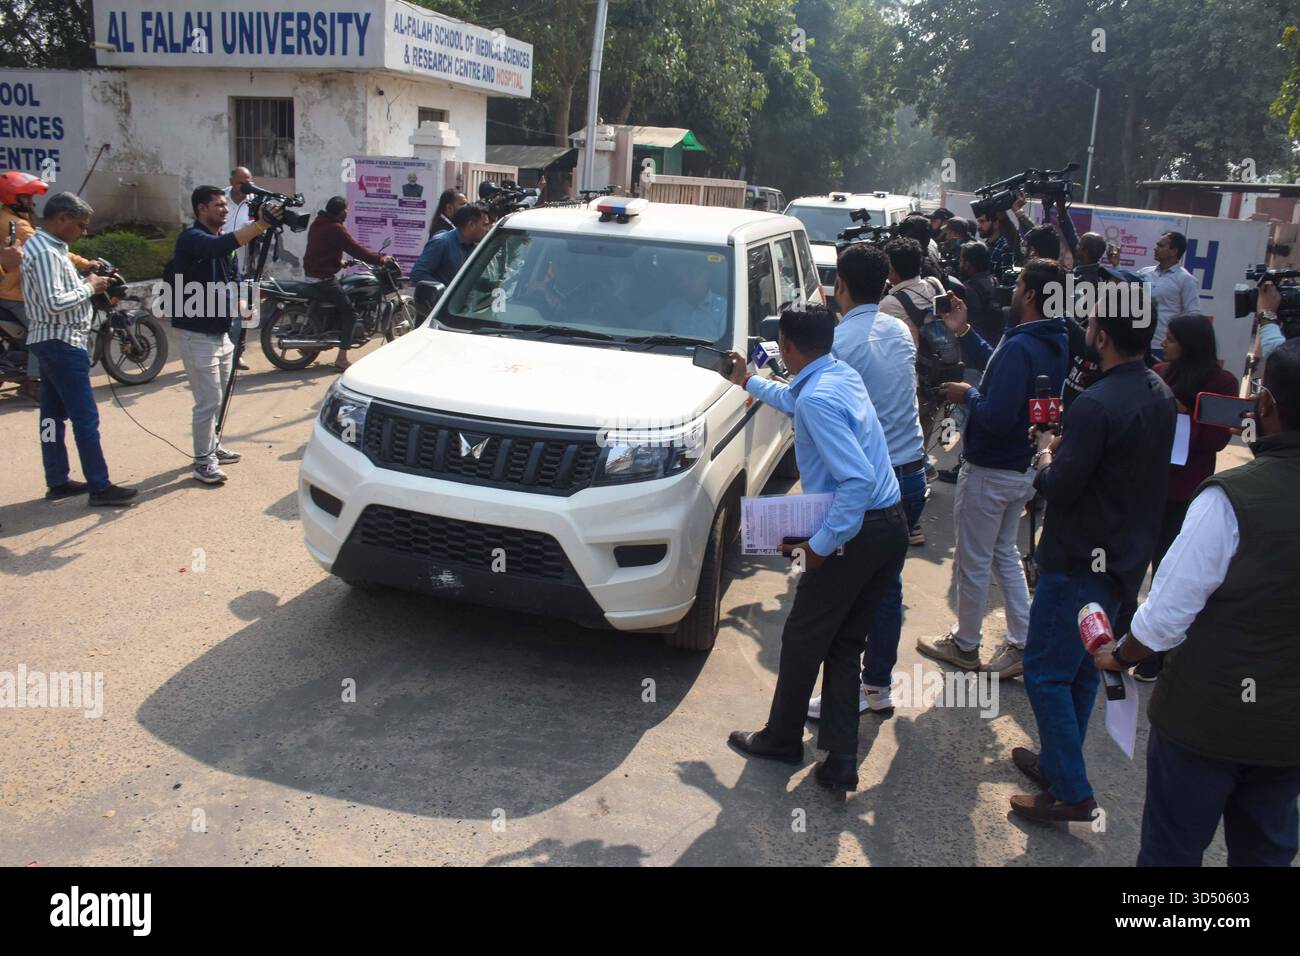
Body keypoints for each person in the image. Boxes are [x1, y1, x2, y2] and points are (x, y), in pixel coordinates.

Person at [1092, 338, 1300, 865]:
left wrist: (1119, 655)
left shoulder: (1231, 498)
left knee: (1172, 853)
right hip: (1287, 736)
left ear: (1266, 405)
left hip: (1205, 722)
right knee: (1267, 851)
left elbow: (1164, 619)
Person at [719, 306, 907, 791]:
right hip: (888, 528)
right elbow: (796, 395)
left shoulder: (818, 400)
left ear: (786, 345)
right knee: (845, 643)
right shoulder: (837, 374)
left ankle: (782, 738)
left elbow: (855, 481)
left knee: (803, 638)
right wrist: (749, 382)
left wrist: (822, 546)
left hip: (853, 534)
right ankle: (840, 761)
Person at [1010, 282, 1176, 824]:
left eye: (1092, 321)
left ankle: (1073, 791)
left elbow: (1060, 487)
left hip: (1079, 561)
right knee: (1082, 673)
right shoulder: (1159, 392)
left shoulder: (1098, 404)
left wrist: (1044, 453)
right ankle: (1061, 765)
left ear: (1102, 335)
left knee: (1045, 673)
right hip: (1124, 564)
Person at [917, 259, 1070, 677]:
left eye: (1020, 283)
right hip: (1021, 467)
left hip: (990, 469)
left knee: (973, 559)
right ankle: (1022, 641)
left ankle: (966, 645)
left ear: (1034, 295)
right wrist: (965, 333)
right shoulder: (1051, 339)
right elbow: (1000, 374)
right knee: (1003, 552)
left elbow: (997, 412)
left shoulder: (1024, 344)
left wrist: (966, 395)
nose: (1014, 289)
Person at [804, 244, 925, 722]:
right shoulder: (900, 329)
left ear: (841, 287)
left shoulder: (838, 343)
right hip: (912, 475)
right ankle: (877, 686)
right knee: (887, 586)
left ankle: (847, 696)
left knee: (845, 592)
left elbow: (811, 399)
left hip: (871, 486)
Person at [1130, 313, 1238, 682]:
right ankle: (1122, 632)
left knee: (1168, 567)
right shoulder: (1159, 370)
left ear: (1191, 343)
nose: (1167, 343)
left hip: (1187, 488)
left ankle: (1157, 651)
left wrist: (1185, 415)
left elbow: (1218, 438)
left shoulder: (1222, 381)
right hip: (1148, 481)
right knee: (1131, 558)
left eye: (1173, 339)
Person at [21, 192, 136, 506]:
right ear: (62, 219)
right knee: (85, 419)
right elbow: (54, 302)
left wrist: (84, 279)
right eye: (81, 226)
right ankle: (99, 486)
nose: (83, 232)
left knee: (51, 418)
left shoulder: (48, 247)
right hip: (61, 342)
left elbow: (55, 292)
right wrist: (90, 287)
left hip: (51, 341)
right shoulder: (45, 251)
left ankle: (56, 479)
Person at [172, 185, 274, 484]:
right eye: (218, 205)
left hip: (221, 333)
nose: (225, 209)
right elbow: (216, 248)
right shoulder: (192, 239)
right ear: (201, 209)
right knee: (208, 400)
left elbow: (234, 277)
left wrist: (243, 305)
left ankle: (213, 446)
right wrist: (260, 225)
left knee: (219, 397)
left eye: (225, 206)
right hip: (196, 334)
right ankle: (203, 461)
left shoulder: (222, 242)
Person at [1, 171, 103, 403]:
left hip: (12, 288)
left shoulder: (15, 219)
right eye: (26, 198)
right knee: (40, 331)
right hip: (13, 292)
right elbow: (53, 249)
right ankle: (33, 381)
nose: (31, 202)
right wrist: (86, 265)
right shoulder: (15, 224)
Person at [302, 196, 395, 371]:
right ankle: (341, 359)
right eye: (346, 210)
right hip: (323, 279)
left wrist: (340, 263)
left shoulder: (318, 223)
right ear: (341, 211)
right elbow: (355, 249)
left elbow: (321, 251)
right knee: (350, 314)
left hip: (314, 273)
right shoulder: (335, 228)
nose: (347, 213)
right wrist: (380, 260)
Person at [1139, 231, 1200, 360]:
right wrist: (1116, 265)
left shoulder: (1186, 279)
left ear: (1174, 251)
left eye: (1161, 246)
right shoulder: (1144, 273)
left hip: (1162, 347)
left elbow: (1193, 314)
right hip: (1138, 343)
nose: (1155, 248)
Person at [220, 167, 255, 370]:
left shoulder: (255, 201)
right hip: (221, 266)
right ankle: (222, 353)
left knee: (244, 314)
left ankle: (237, 354)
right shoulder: (220, 198)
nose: (245, 186)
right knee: (221, 312)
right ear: (232, 182)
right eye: (241, 182)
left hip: (244, 266)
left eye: (248, 181)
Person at [410, 202, 490, 288]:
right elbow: (418, 274)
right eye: (484, 225)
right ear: (471, 225)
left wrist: (494, 285)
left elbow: (471, 281)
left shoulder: (473, 247)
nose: (488, 229)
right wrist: (444, 292)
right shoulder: (442, 243)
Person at [957, 240, 1000, 346]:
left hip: (977, 340)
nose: (960, 264)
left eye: (961, 260)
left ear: (967, 264)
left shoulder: (967, 288)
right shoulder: (994, 280)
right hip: (995, 338)